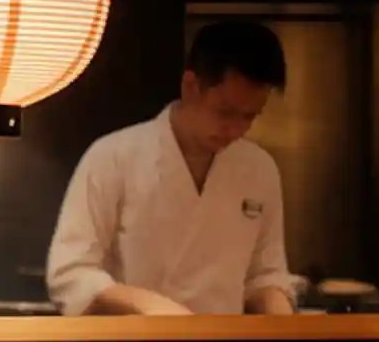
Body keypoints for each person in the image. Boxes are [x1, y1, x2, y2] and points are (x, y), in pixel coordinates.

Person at [46, 21, 295, 316]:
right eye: (225, 112)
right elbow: (71, 272)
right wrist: (152, 307)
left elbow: (265, 275)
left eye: (249, 117)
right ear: (190, 86)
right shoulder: (112, 157)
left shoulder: (259, 168)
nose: (236, 129)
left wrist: (286, 328)